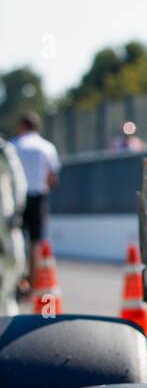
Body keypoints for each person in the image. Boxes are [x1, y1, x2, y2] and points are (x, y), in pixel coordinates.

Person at [11, 112, 60, 295]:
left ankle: (16, 279)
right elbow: (53, 177)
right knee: (36, 241)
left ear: (22, 126)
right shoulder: (47, 147)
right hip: (38, 197)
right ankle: (33, 281)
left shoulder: (13, 145)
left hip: (17, 198)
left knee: (15, 238)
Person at [0, 134, 27, 315]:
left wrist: (17, 209)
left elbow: (19, 179)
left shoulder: (4, 150)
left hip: (4, 214)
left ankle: (7, 297)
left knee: (15, 257)